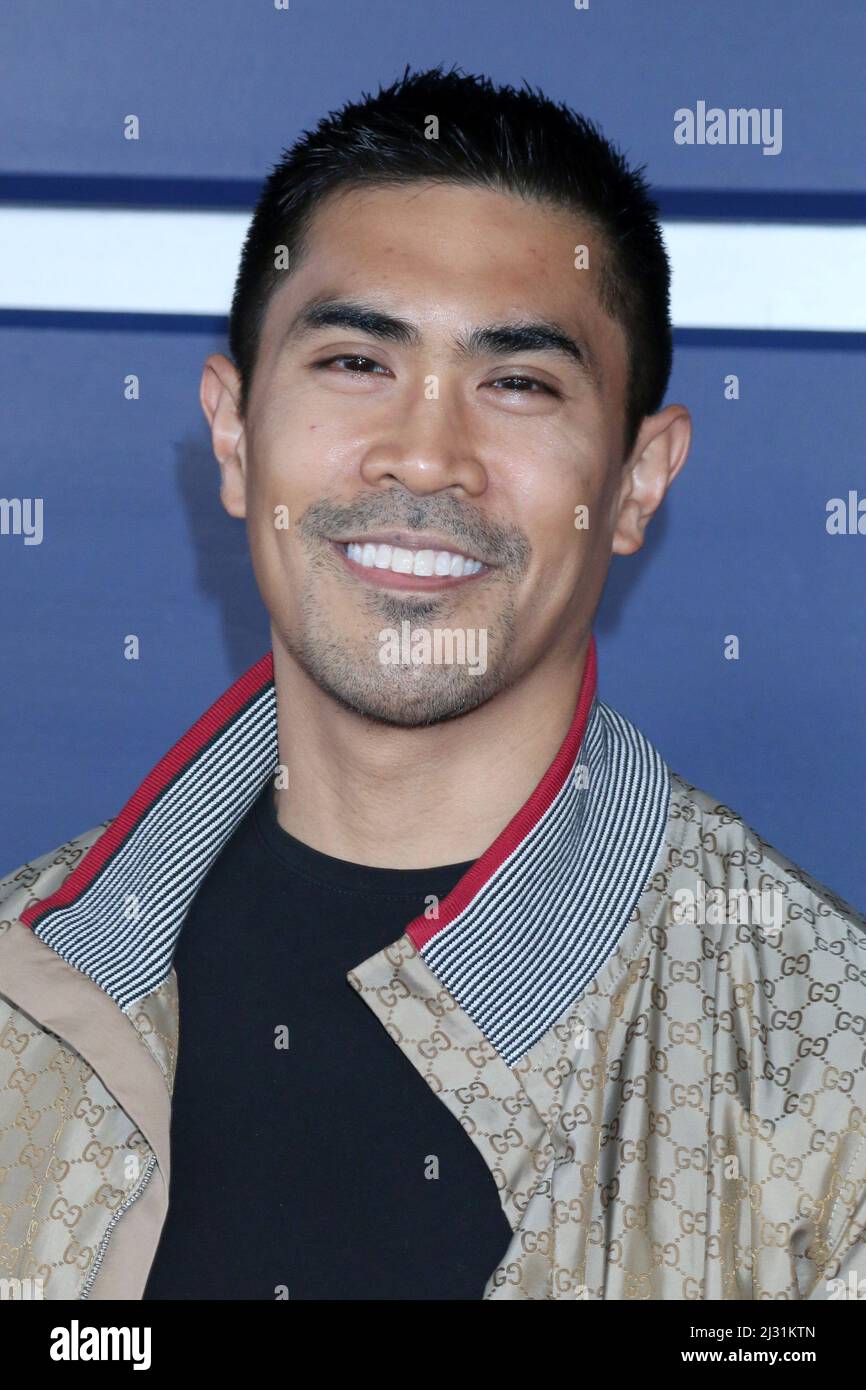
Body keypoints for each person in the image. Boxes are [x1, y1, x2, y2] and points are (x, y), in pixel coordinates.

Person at [1, 64, 864, 1303]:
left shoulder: (825, 1076)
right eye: (355, 360)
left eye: (516, 382)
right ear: (234, 434)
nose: (424, 452)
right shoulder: (20, 987)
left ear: (636, 481)